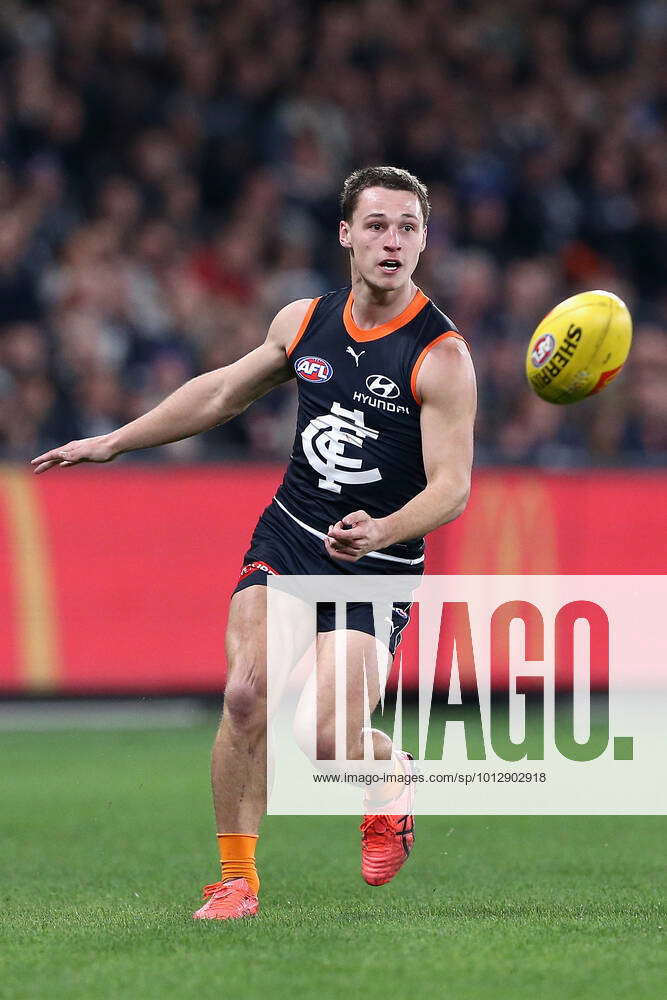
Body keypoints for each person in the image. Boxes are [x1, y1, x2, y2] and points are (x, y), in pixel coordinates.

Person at [32, 165, 477, 920]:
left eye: (406, 227)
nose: (390, 241)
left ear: (424, 240)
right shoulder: (304, 322)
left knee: (331, 738)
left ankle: (390, 777)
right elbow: (220, 391)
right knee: (244, 697)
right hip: (291, 537)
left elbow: (451, 486)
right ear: (345, 234)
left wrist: (383, 529)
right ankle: (237, 882)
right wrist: (115, 441)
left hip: (374, 569)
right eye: (375, 225)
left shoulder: (441, 357)